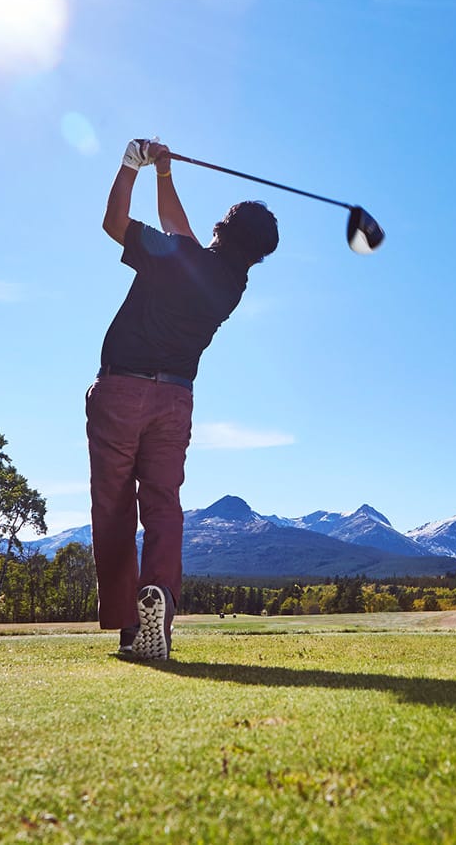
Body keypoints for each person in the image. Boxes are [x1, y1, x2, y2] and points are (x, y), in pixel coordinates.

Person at [87, 138, 278, 660]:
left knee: (113, 507)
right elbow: (179, 232)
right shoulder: (230, 284)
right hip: (176, 400)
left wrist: (132, 166)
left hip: (122, 390)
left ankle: (130, 623)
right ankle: (160, 611)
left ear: (222, 229)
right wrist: (164, 173)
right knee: (164, 508)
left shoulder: (181, 257)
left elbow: (114, 222)